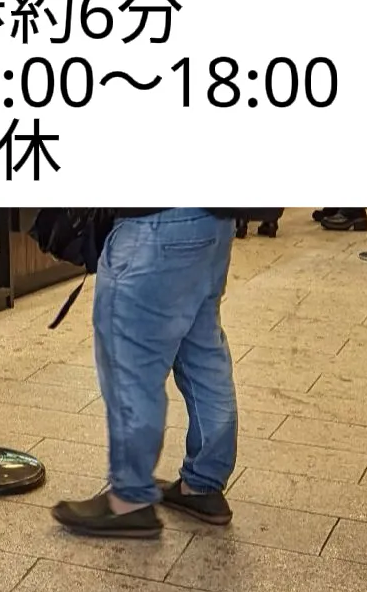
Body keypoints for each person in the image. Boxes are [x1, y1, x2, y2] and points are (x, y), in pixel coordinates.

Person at [53, 207, 237, 540]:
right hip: (214, 220)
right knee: (201, 352)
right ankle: (203, 484)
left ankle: (130, 498)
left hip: (155, 225)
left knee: (131, 360)